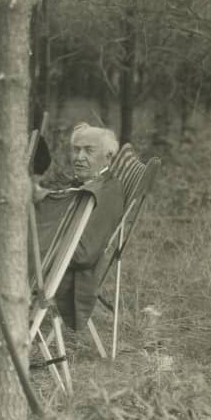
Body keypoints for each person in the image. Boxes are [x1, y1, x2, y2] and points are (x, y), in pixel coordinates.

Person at [47, 123, 127, 332]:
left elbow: (84, 255)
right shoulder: (92, 183)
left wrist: (40, 243)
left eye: (89, 151)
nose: (79, 157)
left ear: (108, 156)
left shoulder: (106, 193)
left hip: (65, 275)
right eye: (76, 149)